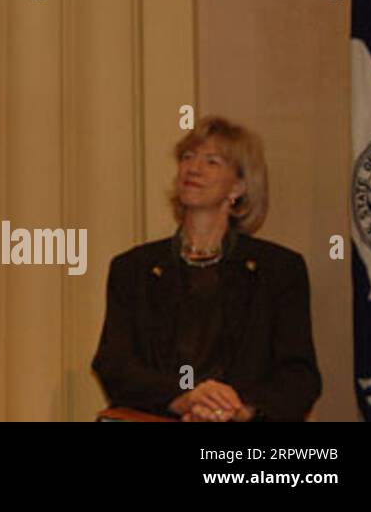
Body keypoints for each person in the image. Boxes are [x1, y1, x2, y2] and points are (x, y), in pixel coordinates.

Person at [92, 116, 321, 421]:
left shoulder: (279, 269)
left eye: (212, 161)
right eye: (188, 157)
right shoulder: (132, 268)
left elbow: (300, 377)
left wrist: (240, 410)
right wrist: (182, 399)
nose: (193, 168)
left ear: (238, 186)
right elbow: (113, 365)